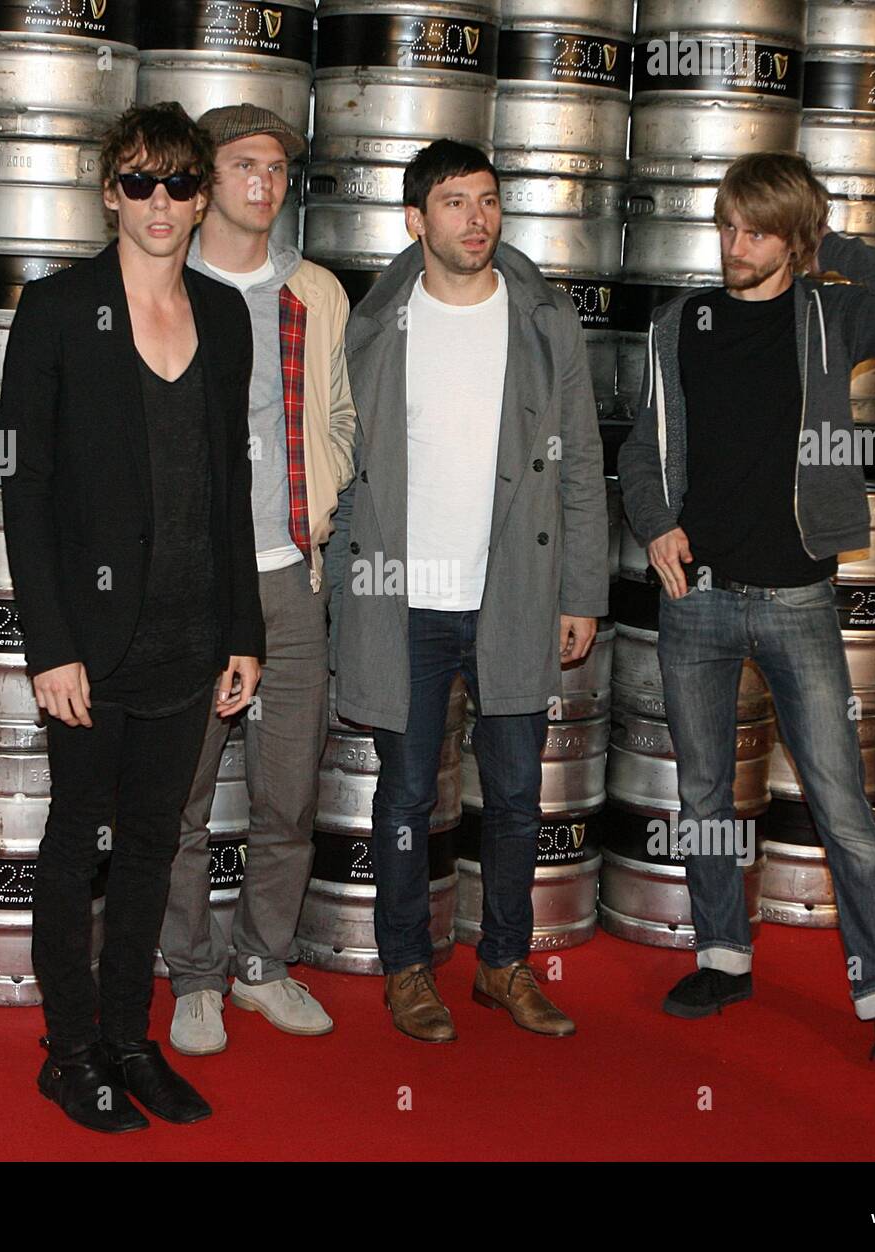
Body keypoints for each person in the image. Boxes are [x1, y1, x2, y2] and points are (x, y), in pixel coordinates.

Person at [617, 151, 875, 1071]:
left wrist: (824, 236)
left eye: (755, 231)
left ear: (791, 241)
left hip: (799, 598)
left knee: (843, 805)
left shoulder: (831, 315)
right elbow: (642, 449)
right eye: (726, 225)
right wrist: (655, 526)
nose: (733, 244)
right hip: (699, 598)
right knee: (706, 795)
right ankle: (723, 954)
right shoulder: (683, 324)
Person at [0, 102, 264, 1133]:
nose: (162, 203)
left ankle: (127, 1036)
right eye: (141, 183)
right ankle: (68, 1053)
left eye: (180, 184)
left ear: (201, 198)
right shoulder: (59, 308)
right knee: (78, 844)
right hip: (92, 642)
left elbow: (231, 485)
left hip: (189, 635)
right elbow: (24, 490)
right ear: (111, 191)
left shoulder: (223, 313)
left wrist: (241, 627)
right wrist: (49, 644)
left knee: (155, 843)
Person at [326, 140, 609, 1043]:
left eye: (487, 200)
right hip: (401, 598)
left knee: (520, 795)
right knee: (406, 797)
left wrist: (583, 592)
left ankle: (504, 964)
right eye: (454, 202)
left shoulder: (542, 319)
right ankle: (408, 968)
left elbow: (581, 465)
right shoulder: (373, 322)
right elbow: (337, 460)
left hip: (512, 593)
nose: (476, 218)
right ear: (416, 220)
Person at [160, 103, 356, 1052]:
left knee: (290, 796)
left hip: (290, 575)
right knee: (180, 795)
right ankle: (192, 974)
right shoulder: (163, 284)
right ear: (205, 181)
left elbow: (344, 417)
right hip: (192, 587)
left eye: (277, 168)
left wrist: (322, 491)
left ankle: (260, 964)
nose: (264, 183)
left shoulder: (317, 291)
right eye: (244, 165)